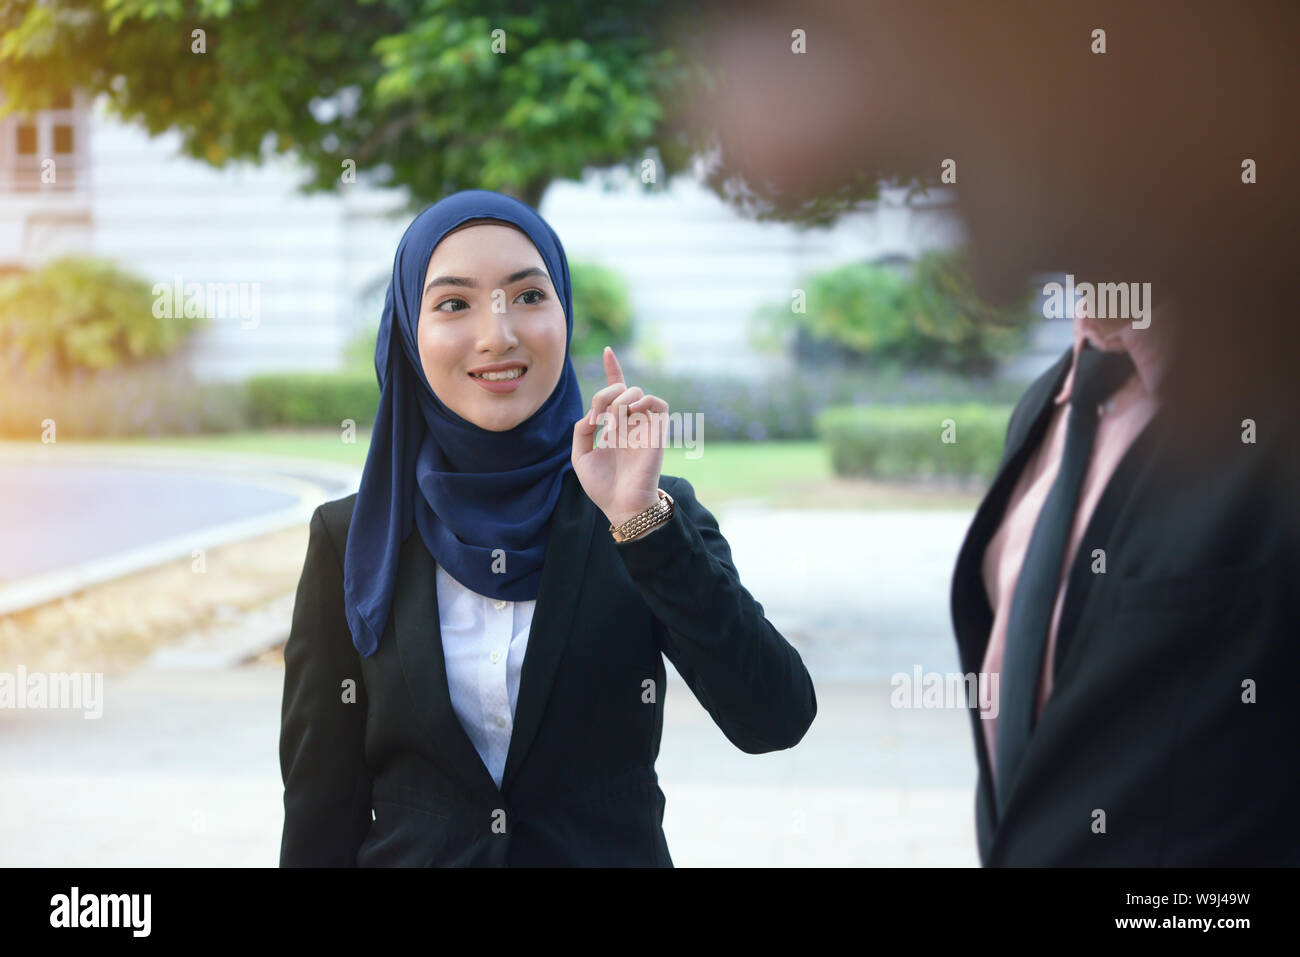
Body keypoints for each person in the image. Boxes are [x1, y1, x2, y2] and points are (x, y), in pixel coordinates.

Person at [278, 189, 816, 866]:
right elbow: (320, 812)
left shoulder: (644, 510)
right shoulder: (352, 537)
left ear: (564, 314)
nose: (497, 335)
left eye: (529, 296)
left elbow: (774, 718)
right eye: (453, 304)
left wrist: (640, 523)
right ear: (409, 334)